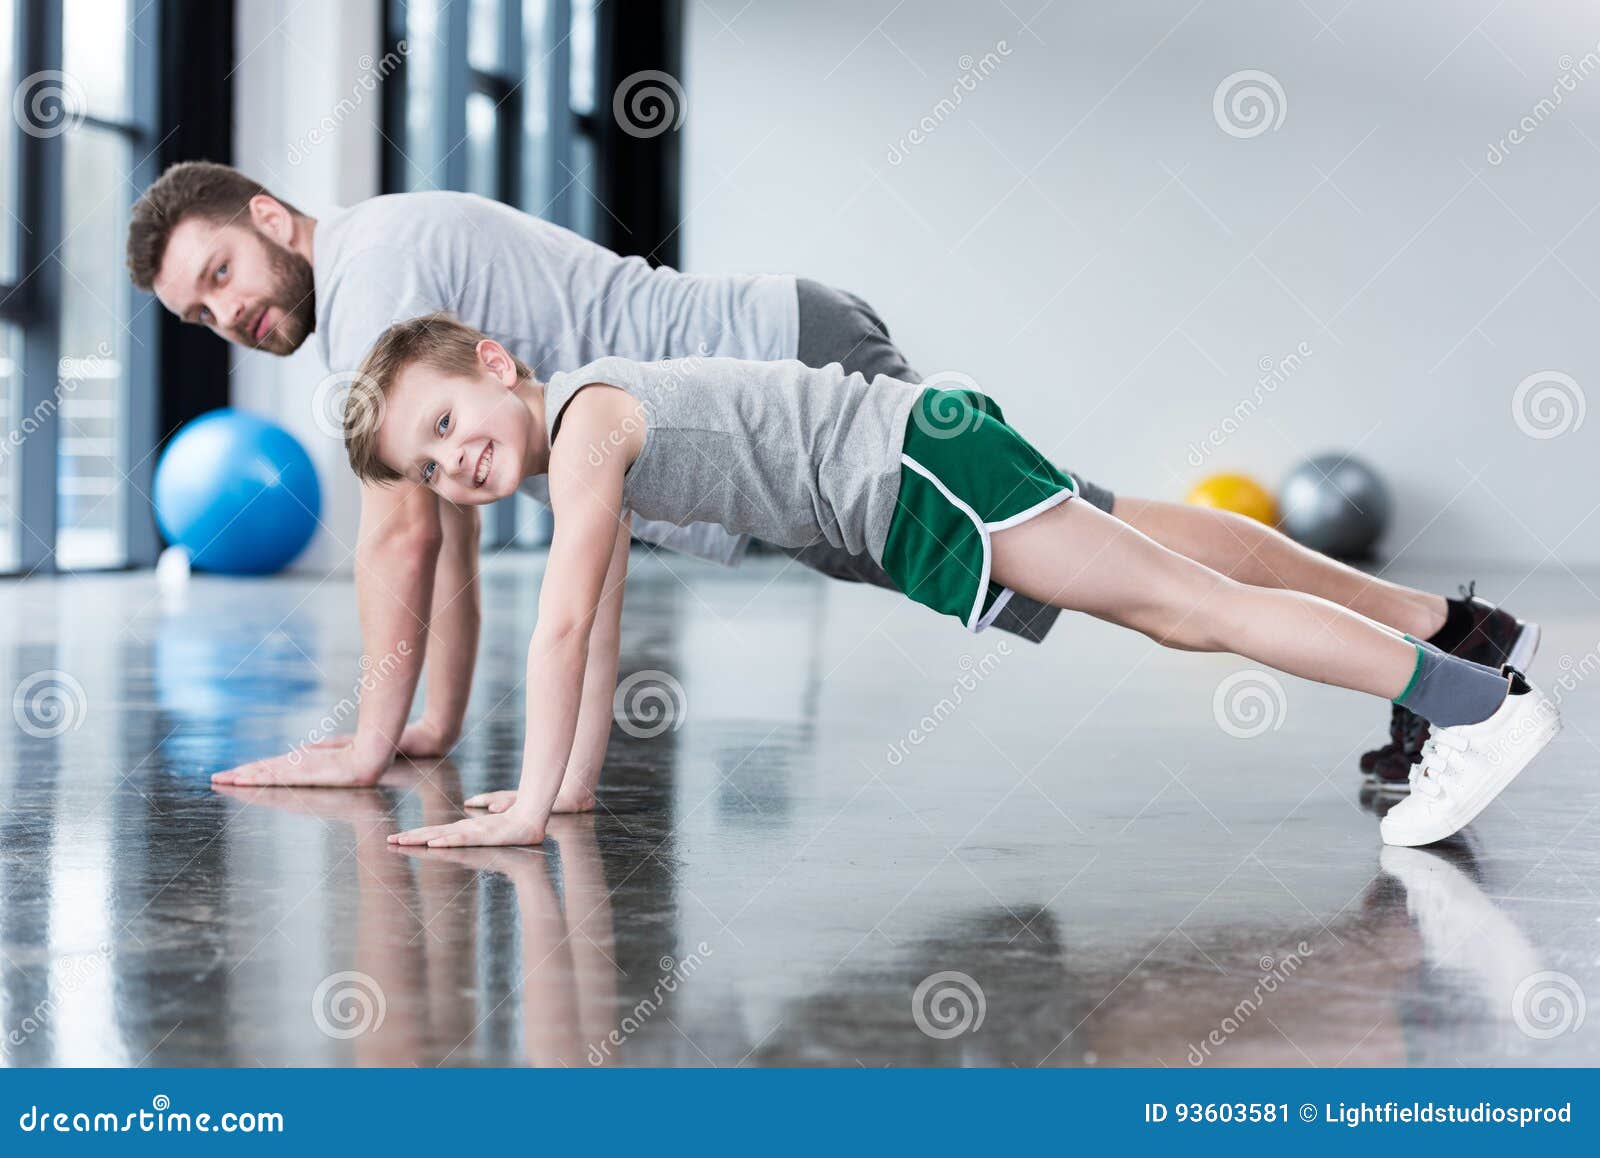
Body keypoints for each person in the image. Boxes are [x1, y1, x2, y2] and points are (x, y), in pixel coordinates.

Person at [126, 162, 1534, 790]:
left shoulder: (376, 285)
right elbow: (462, 541)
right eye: (199, 319)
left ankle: (1447, 679)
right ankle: (1436, 636)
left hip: (793, 380)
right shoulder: (393, 268)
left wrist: (374, 744)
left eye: (223, 277)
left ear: (267, 218)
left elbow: (401, 550)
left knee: (1136, 578)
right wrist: (434, 731)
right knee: (1113, 543)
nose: (230, 314)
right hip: (790, 407)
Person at [329, 314, 1558, 850]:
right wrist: (567, 791)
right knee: (1174, 570)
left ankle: (1476, 705)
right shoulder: (575, 442)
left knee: (1190, 613)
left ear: (495, 364)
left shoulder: (589, 423)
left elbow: (556, 628)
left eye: (445, 419)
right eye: (425, 466)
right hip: (927, 453)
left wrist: (532, 804)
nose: (452, 460)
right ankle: (1460, 653)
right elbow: (589, 633)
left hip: (920, 469)